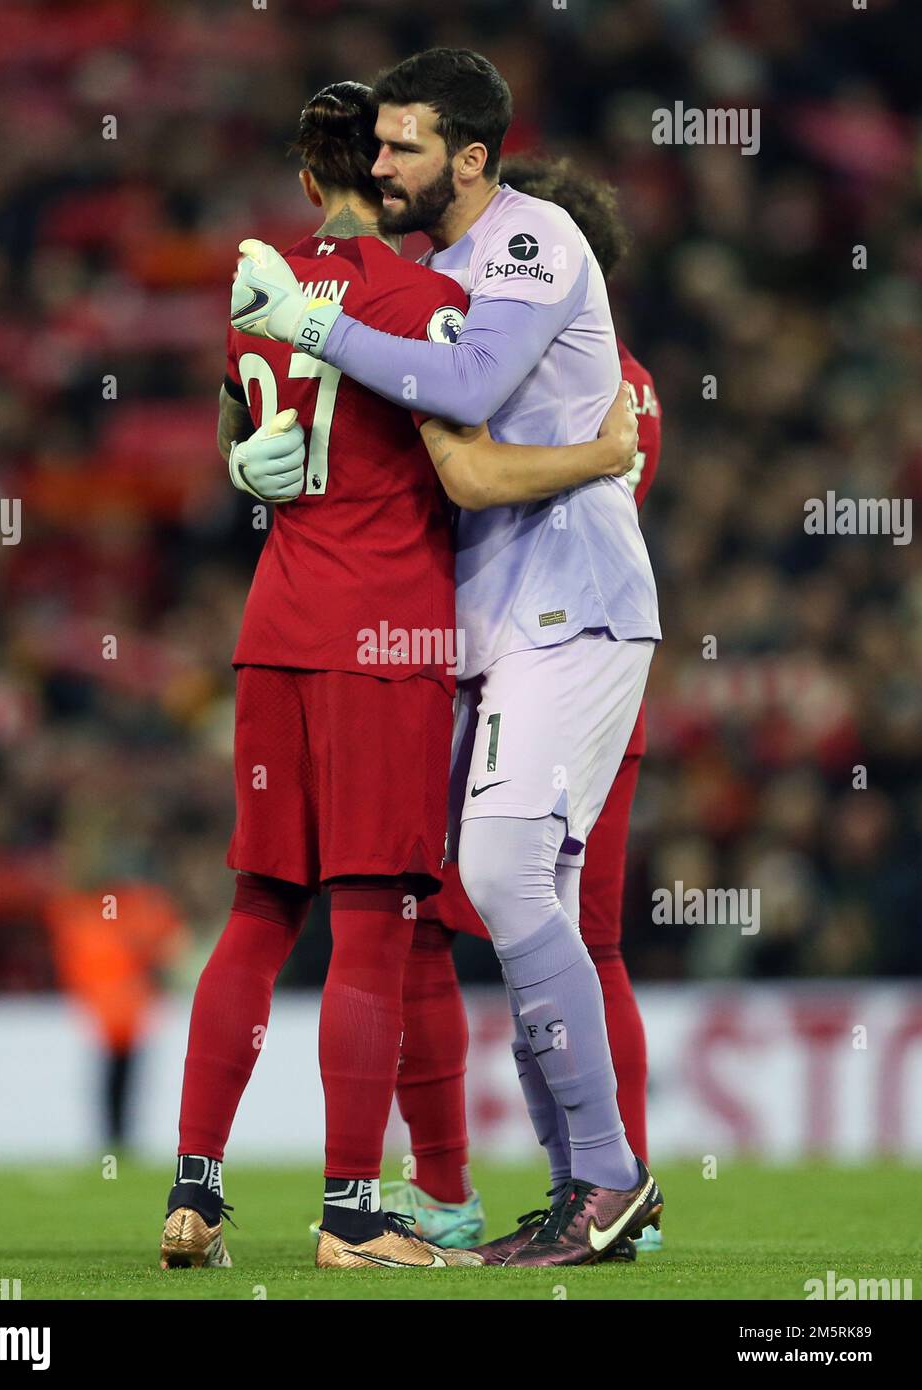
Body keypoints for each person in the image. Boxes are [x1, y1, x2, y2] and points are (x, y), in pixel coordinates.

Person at [161, 82, 637, 1273]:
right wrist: (611, 449)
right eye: (382, 148)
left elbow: (242, 429)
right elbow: (465, 462)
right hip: (390, 639)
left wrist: (245, 469)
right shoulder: (422, 299)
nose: (391, 164)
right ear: (371, 175)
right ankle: (358, 1208)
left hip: (274, 625)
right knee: (383, 918)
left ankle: (196, 1190)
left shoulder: (256, 299)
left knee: (262, 907)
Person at [387, 157, 664, 1261]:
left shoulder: (570, 371)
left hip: (563, 638)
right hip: (542, 648)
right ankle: (585, 1189)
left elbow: (491, 479)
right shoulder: (620, 370)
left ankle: (604, 1177)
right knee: (550, 920)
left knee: (546, 914)